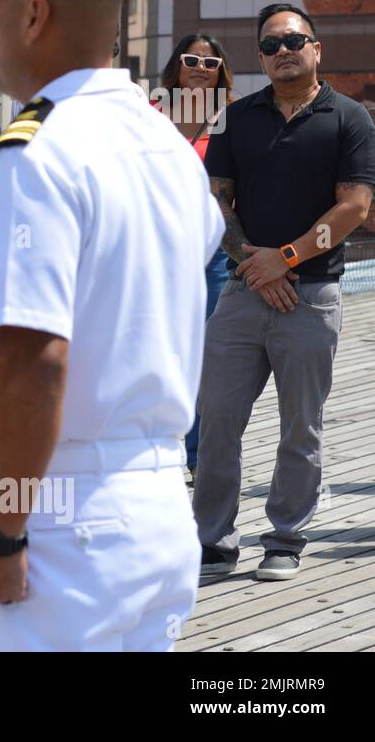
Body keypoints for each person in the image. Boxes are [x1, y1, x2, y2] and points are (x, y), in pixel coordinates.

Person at [0, 0, 223, 651]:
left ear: (34, 13)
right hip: (160, 504)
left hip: (58, 520)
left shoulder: (32, 152)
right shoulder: (166, 146)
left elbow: (32, 360)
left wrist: (5, 530)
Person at [195, 3, 375, 581]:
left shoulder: (349, 118)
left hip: (312, 295)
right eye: (271, 45)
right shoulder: (233, 118)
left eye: (294, 40)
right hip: (244, 294)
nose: (283, 51)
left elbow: (354, 206)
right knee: (217, 417)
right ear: (260, 57)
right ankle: (213, 540)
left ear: (316, 48)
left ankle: (285, 537)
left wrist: (287, 259)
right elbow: (216, 202)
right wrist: (254, 264)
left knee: (302, 426)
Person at [154, 33, 236, 480]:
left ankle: (194, 453)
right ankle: (159, 446)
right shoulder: (151, 114)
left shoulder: (233, 118)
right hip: (157, 250)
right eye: (192, 60)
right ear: (177, 67)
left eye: (211, 62)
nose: (201, 67)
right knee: (158, 347)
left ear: (221, 69)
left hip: (215, 254)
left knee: (206, 351)